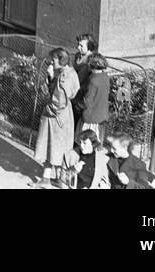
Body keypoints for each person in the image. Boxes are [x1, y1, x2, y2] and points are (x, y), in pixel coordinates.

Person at [34, 47, 80, 185]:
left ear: (60, 60)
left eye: (53, 59)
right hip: (66, 115)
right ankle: (60, 179)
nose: (51, 62)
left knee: (50, 146)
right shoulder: (71, 72)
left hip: (56, 117)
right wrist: (51, 77)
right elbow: (73, 92)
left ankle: (47, 178)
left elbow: (58, 100)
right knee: (60, 148)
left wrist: (48, 110)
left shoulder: (63, 77)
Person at [78, 53, 111, 138]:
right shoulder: (105, 77)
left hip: (91, 116)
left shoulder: (93, 80)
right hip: (101, 115)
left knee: (87, 139)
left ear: (91, 65)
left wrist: (78, 105)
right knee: (97, 139)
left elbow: (87, 101)